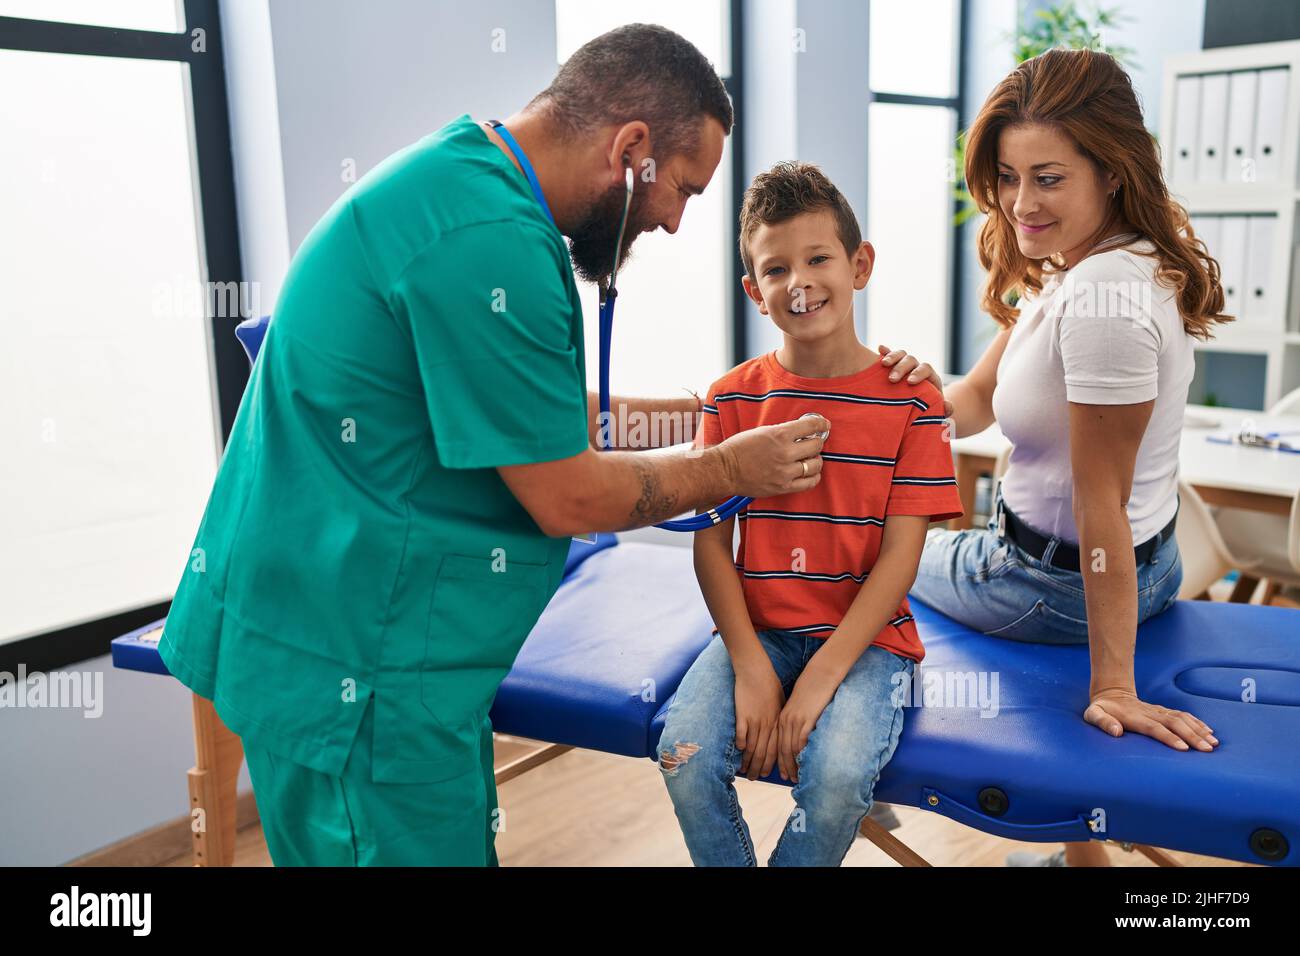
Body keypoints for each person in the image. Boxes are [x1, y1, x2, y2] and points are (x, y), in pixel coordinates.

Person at [158, 24, 939, 867]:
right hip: (360, 668)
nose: (676, 223)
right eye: (682, 188)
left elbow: (522, 409)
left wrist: (704, 413)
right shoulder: (489, 244)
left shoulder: (467, 183)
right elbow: (566, 494)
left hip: (347, 643)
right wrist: (727, 464)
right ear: (632, 149)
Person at [907, 49, 1231, 867]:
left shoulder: (1103, 302)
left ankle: (856, 762)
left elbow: (1100, 508)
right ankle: (1076, 854)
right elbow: (976, 399)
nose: (1020, 203)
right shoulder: (1080, 266)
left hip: (1048, 585)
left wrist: (1112, 687)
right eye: (1010, 177)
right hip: (1146, 567)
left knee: (884, 554)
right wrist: (883, 404)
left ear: (1111, 169)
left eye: (1047, 178)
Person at [657, 162, 962, 866]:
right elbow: (710, 544)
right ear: (753, 291)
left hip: (868, 645)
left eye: (819, 258)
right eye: (776, 269)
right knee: (683, 755)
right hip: (758, 633)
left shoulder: (914, 400)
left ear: (860, 264)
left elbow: (900, 560)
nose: (800, 282)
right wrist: (749, 664)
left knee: (836, 779)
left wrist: (821, 676)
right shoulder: (729, 399)